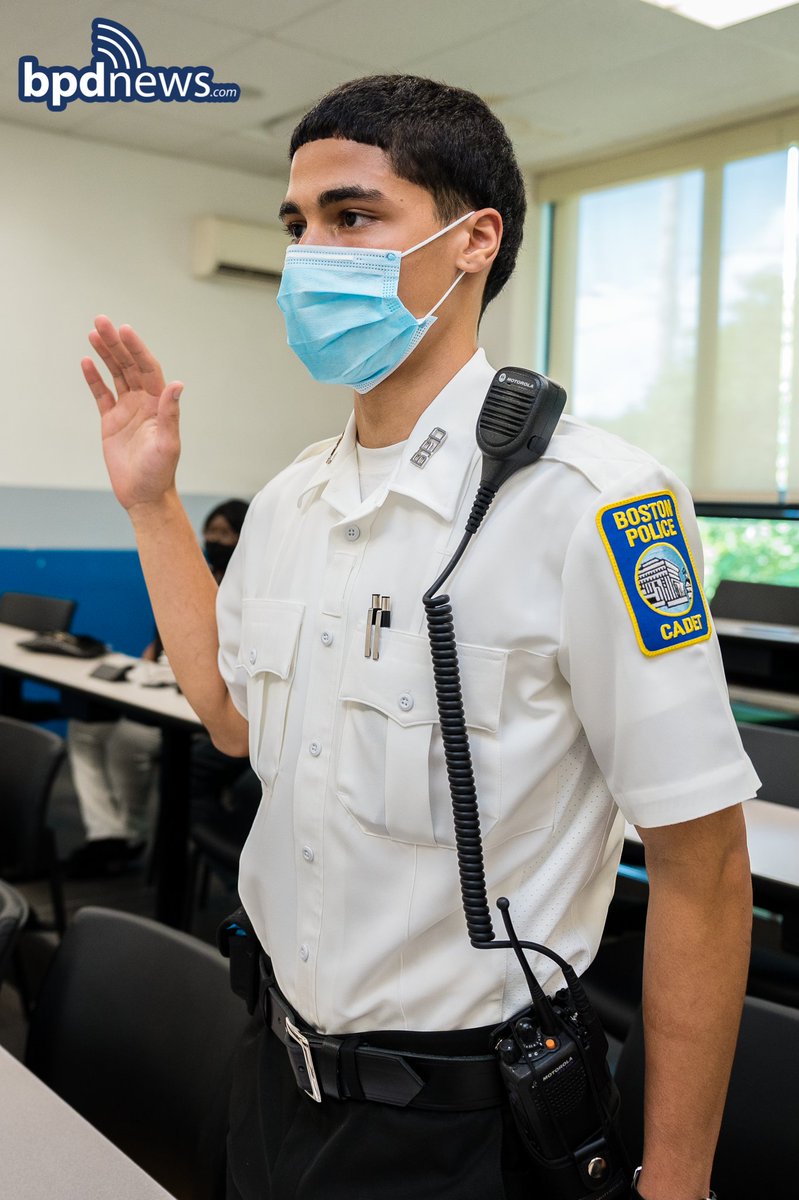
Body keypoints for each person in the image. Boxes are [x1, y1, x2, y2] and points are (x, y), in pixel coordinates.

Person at [81, 75, 757, 1200]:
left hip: (464, 1126)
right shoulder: (295, 497)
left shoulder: (592, 500)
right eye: (296, 225)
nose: (310, 256)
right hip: (270, 1076)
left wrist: (675, 1185)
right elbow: (234, 716)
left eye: (353, 217)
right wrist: (154, 507)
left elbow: (704, 864)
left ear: (472, 241)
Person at [66, 500, 250, 878]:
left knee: (126, 741)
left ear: (242, 537)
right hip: (160, 685)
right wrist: (146, 665)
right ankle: (112, 833)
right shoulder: (196, 574)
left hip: (207, 707)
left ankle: (129, 833)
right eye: (209, 531)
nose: (214, 540)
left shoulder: (246, 588)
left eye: (224, 533)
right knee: (85, 731)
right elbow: (163, 640)